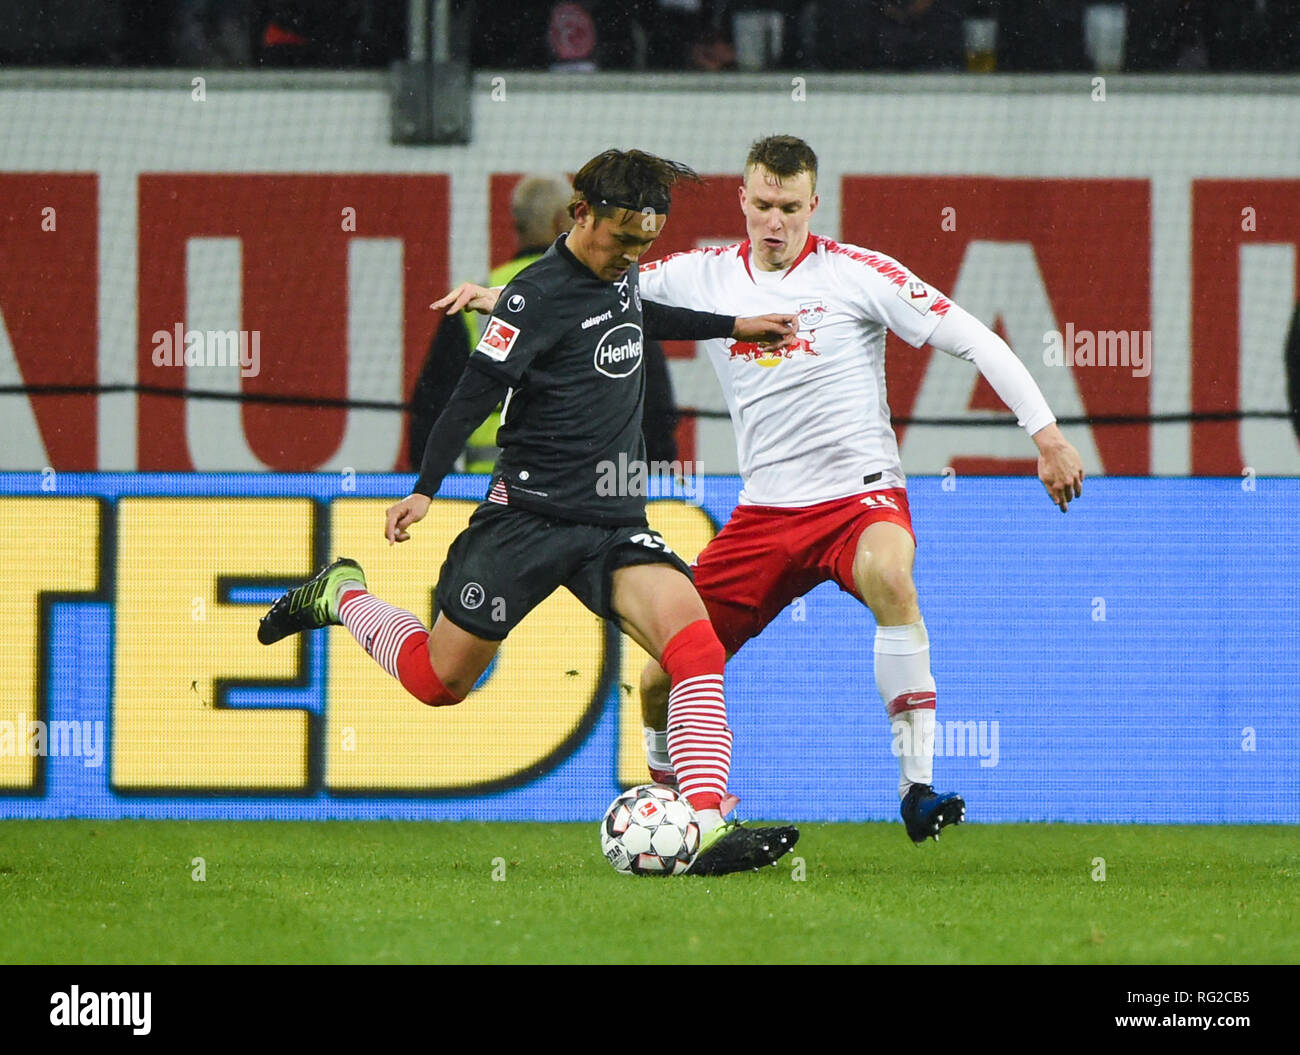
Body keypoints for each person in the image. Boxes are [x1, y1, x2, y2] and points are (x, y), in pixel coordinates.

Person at [440, 136, 1085, 845]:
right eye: (764, 206)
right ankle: (673, 799)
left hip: (856, 500)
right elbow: (585, 284)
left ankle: (917, 788)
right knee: (661, 676)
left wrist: (1046, 434)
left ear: (814, 205)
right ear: (743, 202)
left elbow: (973, 339)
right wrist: (501, 294)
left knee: (892, 573)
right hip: (764, 516)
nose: (775, 222)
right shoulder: (705, 276)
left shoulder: (859, 275)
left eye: (790, 208)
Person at [259, 149, 800, 875]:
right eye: (621, 242)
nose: (630, 258)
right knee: (436, 681)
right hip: (526, 521)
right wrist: (424, 486)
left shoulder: (621, 273)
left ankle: (703, 821)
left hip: (611, 517)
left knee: (694, 643)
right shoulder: (532, 296)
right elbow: (472, 394)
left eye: (644, 245)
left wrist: (736, 325)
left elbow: (642, 312)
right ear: (581, 215)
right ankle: (342, 593)